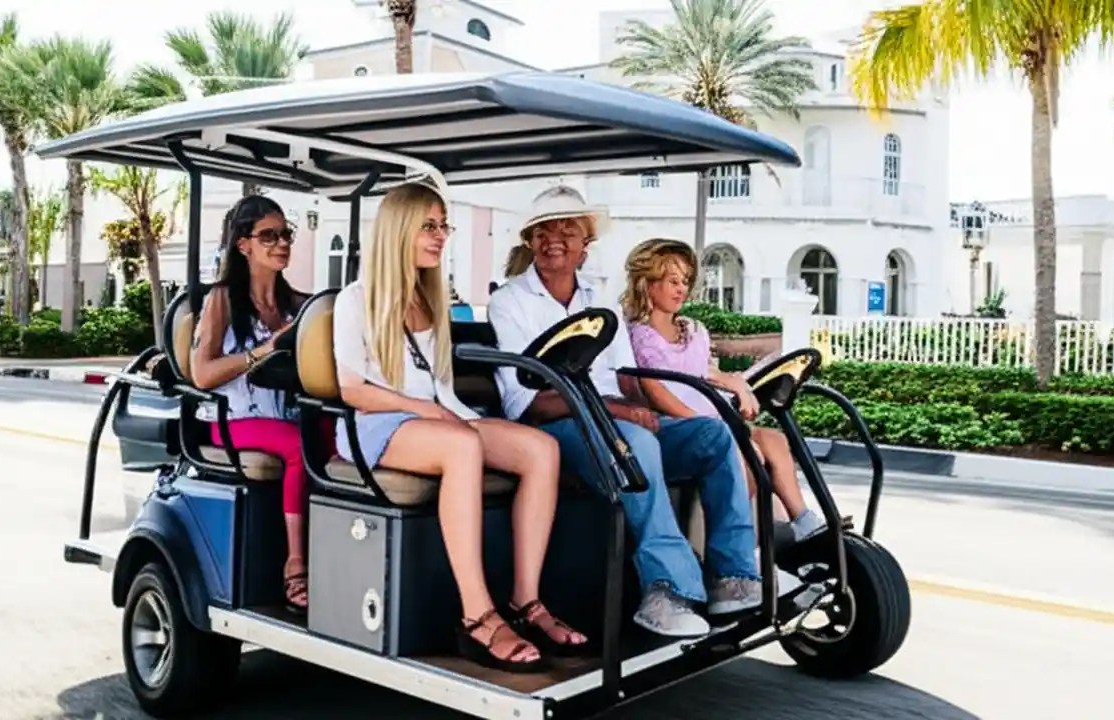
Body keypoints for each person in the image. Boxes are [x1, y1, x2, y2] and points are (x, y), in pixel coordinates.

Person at [331, 180, 587, 672]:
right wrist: (440, 417)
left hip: (432, 420)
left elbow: (441, 388)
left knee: (539, 450)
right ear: (399, 228)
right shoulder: (354, 299)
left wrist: (469, 419)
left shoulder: (429, 301)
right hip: (373, 425)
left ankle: (525, 601)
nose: (441, 235)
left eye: (443, 225)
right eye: (429, 225)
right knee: (462, 447)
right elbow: (353, 389)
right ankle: (477, 615)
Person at [487, 185, 762, 639]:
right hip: (559, 427)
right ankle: (666, 588)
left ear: (585, 244)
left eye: (567, 230)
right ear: (530, 241)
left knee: (714, 437)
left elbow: (620, 375)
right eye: (543, 230)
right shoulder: (510, 301)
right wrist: (618, 412)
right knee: (631, 441)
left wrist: (645, 405)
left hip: (614, 422)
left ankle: (732, 576)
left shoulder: (601, 299)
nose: (554, 238)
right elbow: (528, 401)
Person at [621, 239, 825, 542]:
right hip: (681, 425)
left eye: (685, 282)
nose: (681, 289)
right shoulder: (641, 336)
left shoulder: (692, 330)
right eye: (672, 281)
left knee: (774, 439)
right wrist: (701, 422)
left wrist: (738, 385)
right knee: (747, 455)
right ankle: (741, 544)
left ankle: (804, 523)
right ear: (648, 285)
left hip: (711, 416)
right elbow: (656, 390)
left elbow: (702, 370)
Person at [190, 195, 330, 614]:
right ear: (243, 245)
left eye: (286, 234)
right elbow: (202, 373)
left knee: (336, 435)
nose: (281, 243)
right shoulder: (222, 300)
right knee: (295, 444)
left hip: (282, 415)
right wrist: (262, 351)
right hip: (231, 420)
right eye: (268, 235)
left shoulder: (297, 304)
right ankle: (295, 564)